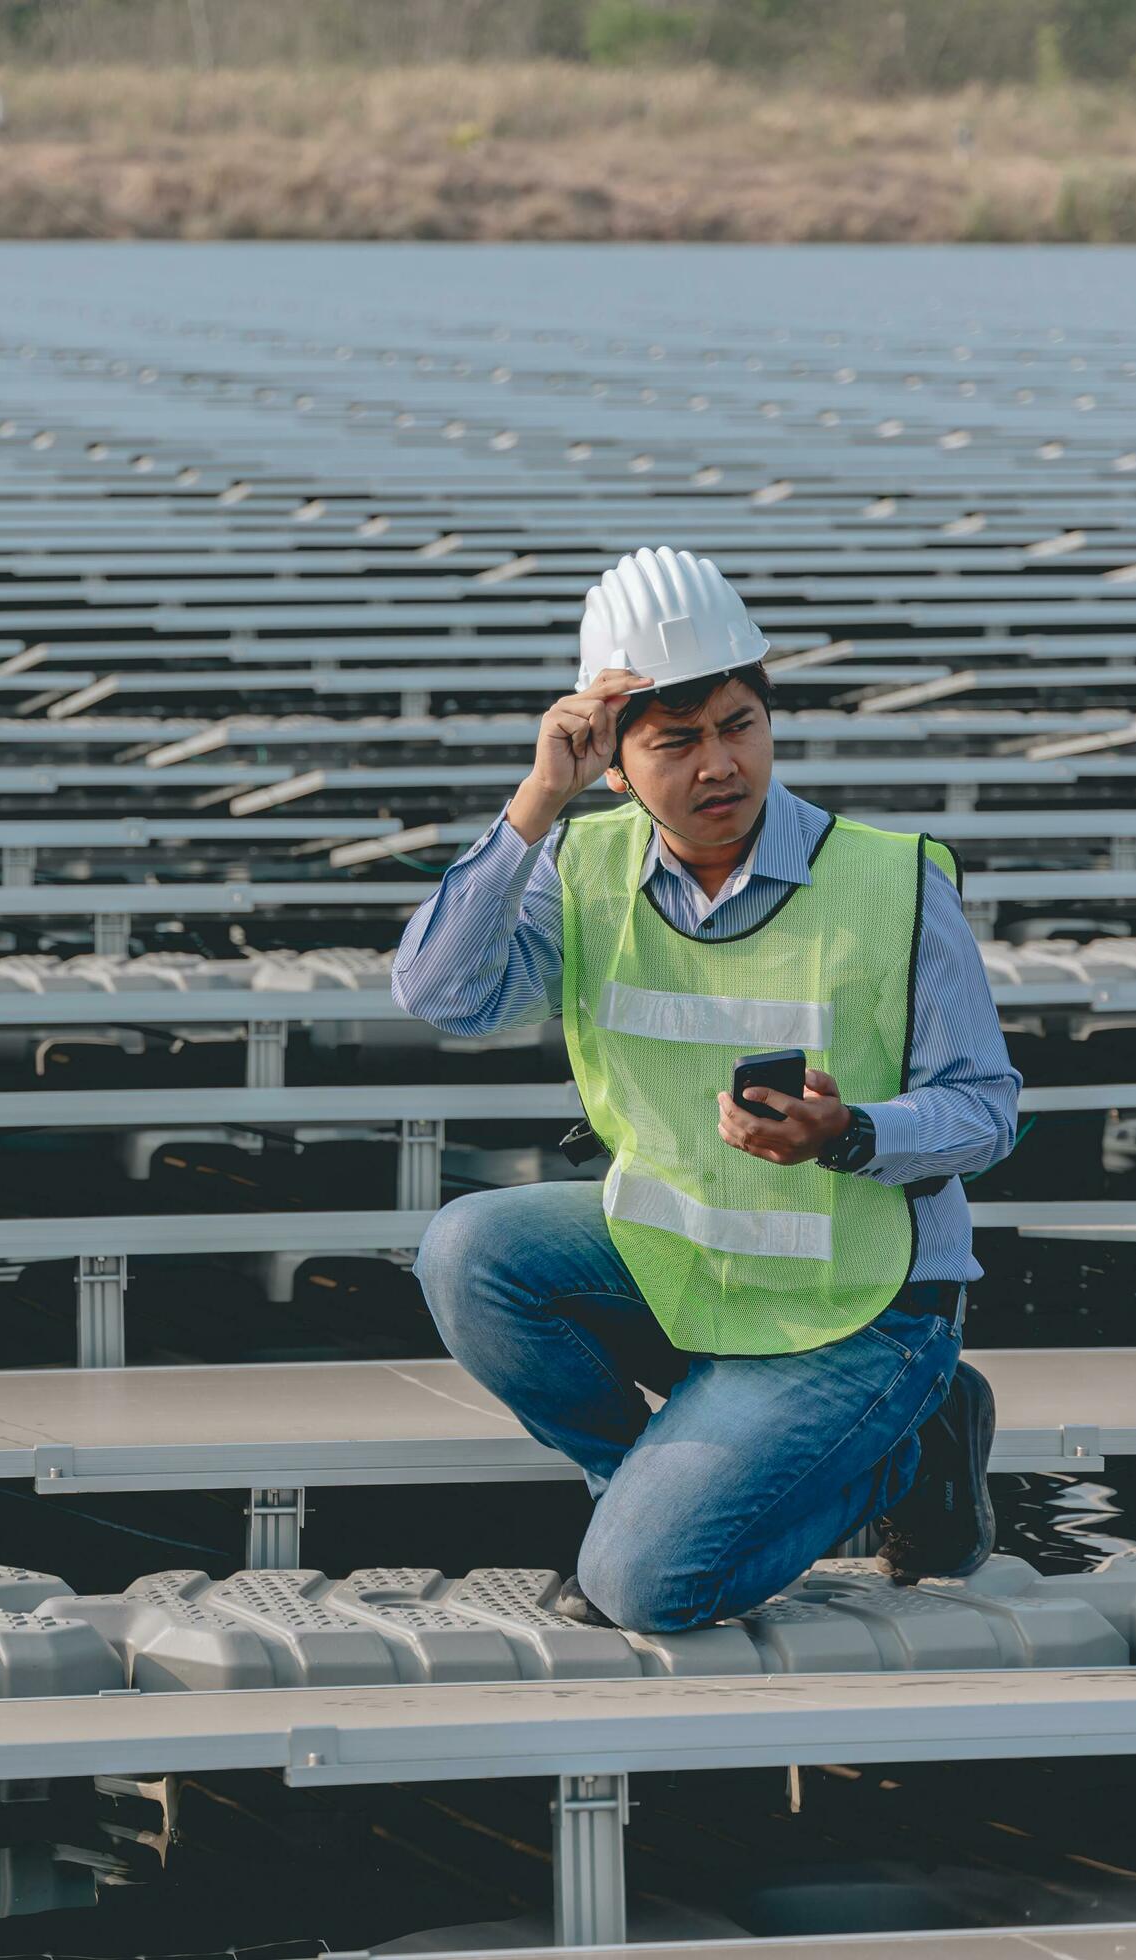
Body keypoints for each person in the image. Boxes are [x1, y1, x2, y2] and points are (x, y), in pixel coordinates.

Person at [394, 547, 1022, 1635]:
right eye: (676, 741)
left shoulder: (891, 878)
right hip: (686, 1261)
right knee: (468, 1248)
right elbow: (442, 992)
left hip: (864, 1306)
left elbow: (987, 1108)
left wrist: (852, 1131)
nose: (719, 763)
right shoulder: (584, 868)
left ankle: (903, 1463)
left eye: (739, 725)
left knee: (645, 1588)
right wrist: (539, 798)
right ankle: (644, 1490)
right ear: (616, 760)